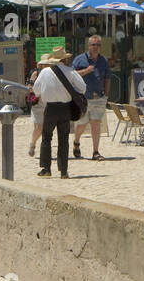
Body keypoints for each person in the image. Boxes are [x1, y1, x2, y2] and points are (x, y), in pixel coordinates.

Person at [32, 48, 85, 179]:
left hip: (50, 108)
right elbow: (82, 88)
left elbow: (36, 91)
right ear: (65, 59)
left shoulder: (44, 72)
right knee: (63, 139)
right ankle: (63, 171)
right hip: (66, 108)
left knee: (46, 138)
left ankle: (46, 168)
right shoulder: (70, 71)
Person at [70, 35, 111, 161]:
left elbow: (108, 78)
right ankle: (76, 142)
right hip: (83, 98)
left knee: (96, 124)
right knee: (82, 124)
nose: (96, 47)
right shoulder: (79, 60)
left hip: (99, 97)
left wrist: (106, 94)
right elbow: (72, 75)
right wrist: (86, 71)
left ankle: (95, 152)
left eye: (98, 45)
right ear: (88, 46)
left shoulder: (103, 61)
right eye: (93, 45)